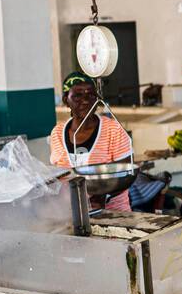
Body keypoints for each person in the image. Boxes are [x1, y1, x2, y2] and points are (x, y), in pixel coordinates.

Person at [48, 71, 134, 211]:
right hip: (70, 214)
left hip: (114, 215)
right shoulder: (57, 133)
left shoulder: (113, 129)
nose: (86, 100)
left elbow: (125, 175)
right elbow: (59, 177)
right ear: (66, 100)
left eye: (91, 95)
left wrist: (102, 196)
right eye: (77, 95)